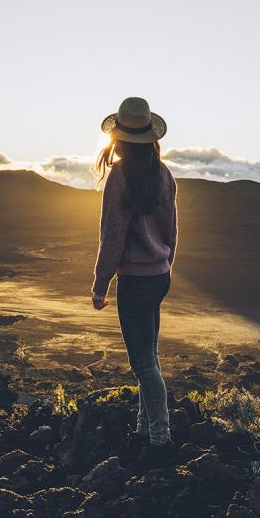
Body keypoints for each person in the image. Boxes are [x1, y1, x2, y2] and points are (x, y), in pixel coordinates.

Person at [91, 97, 179, 466]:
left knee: (143, 364)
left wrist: (100, 284)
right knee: (149, 356)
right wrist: (165, 263)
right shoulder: (164, 174)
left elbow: (112, 236)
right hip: (159, 276)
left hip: (136, 282)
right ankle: (144, 429)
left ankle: (160, 439)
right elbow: (172, 230)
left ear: (120, 137)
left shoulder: (120, 176)